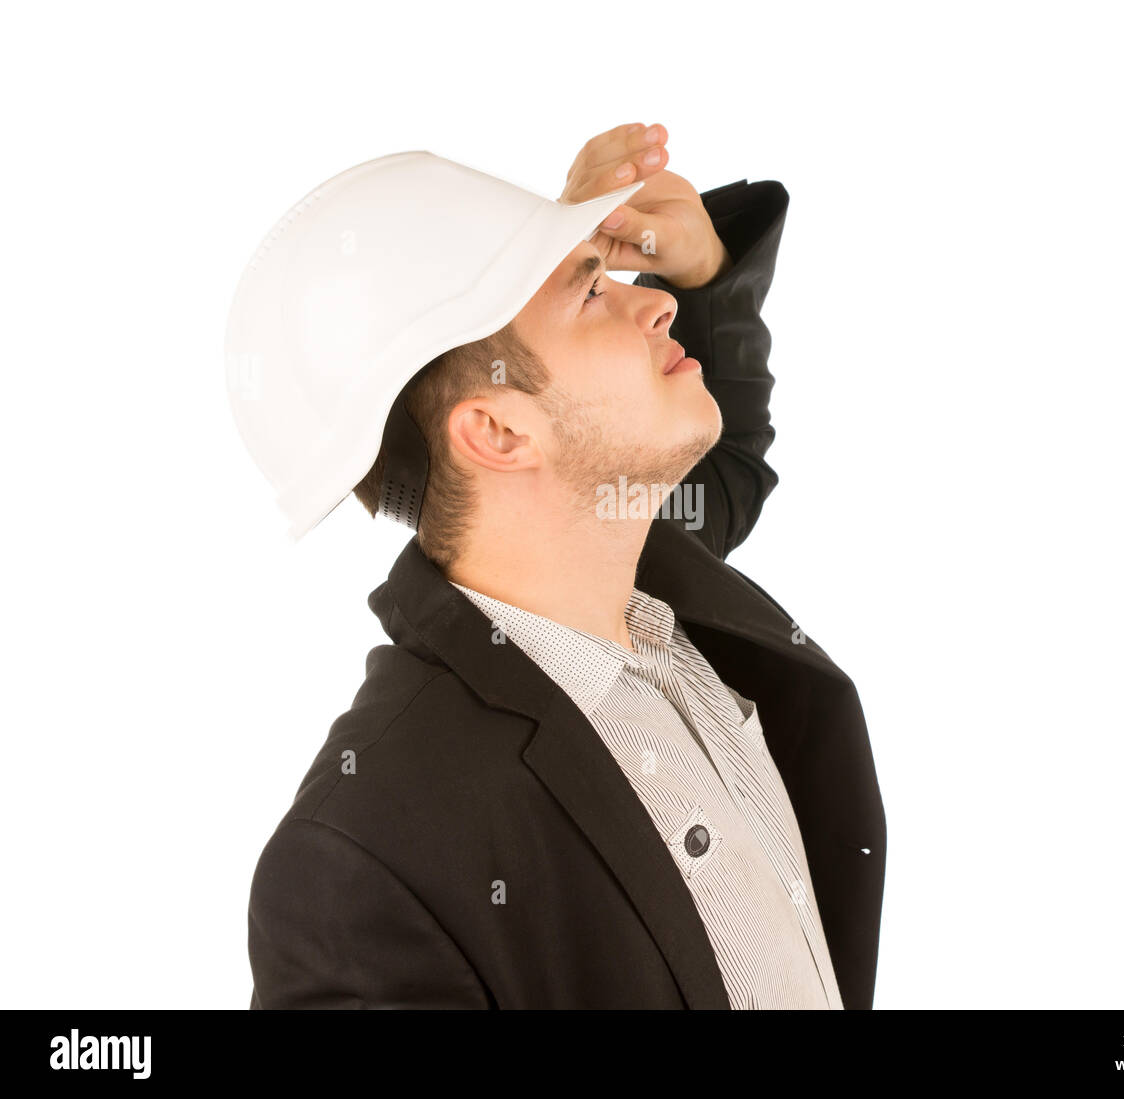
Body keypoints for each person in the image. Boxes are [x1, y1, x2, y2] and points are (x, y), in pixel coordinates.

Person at [232, 122, 886, 1009]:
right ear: (497, 431)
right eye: (588, 293)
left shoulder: (645, 566)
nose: (648, 302)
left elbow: (722, 466)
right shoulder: (363, 854)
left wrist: (699, 274)